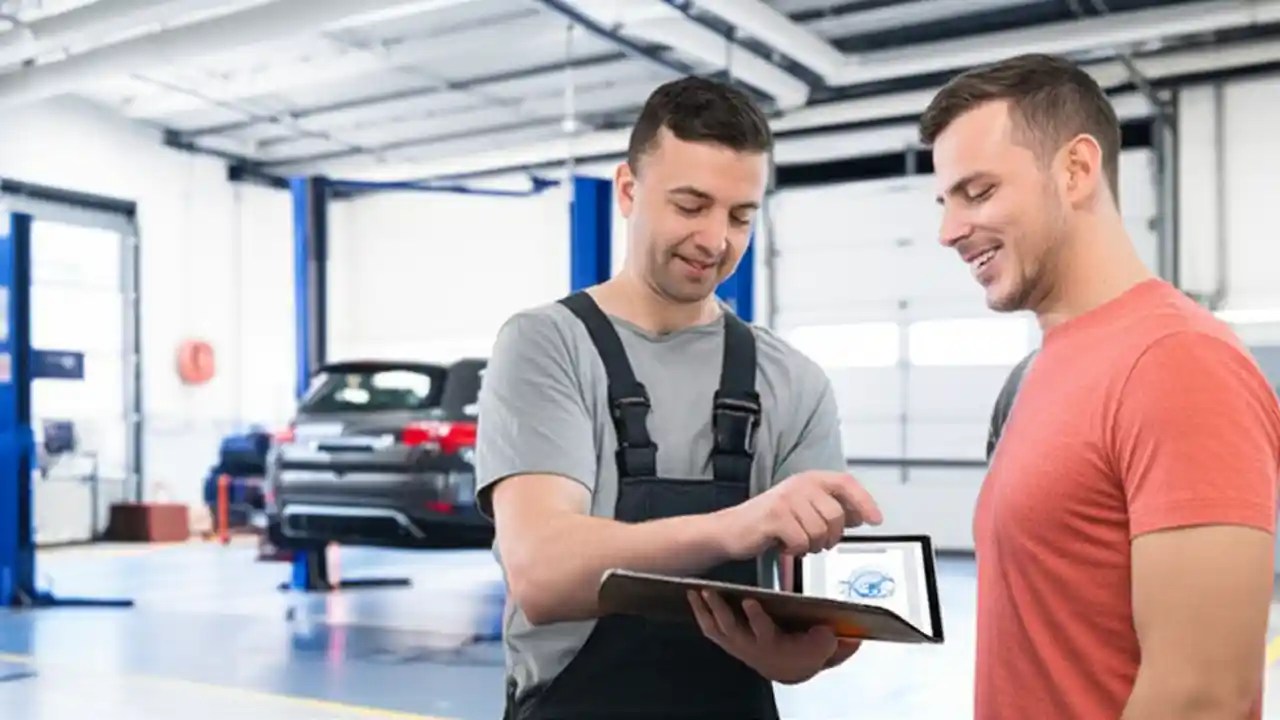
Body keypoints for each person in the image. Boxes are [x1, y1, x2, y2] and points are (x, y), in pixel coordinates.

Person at [474, 75, 883, 720]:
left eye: (741, 215)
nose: (717, 240)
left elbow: (820, 608)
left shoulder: (794, 381)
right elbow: (543, 573)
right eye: (691, 206)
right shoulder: (547, 345)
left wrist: (811, 655)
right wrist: (740, 524)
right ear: (629, 191)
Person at [919, 53, 1280, 719]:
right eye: (945, 202)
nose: (948, 232)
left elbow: (1203, 698)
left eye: (979, 192)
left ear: (1076, 171)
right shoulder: (1038, 373)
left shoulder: (1178, 362)